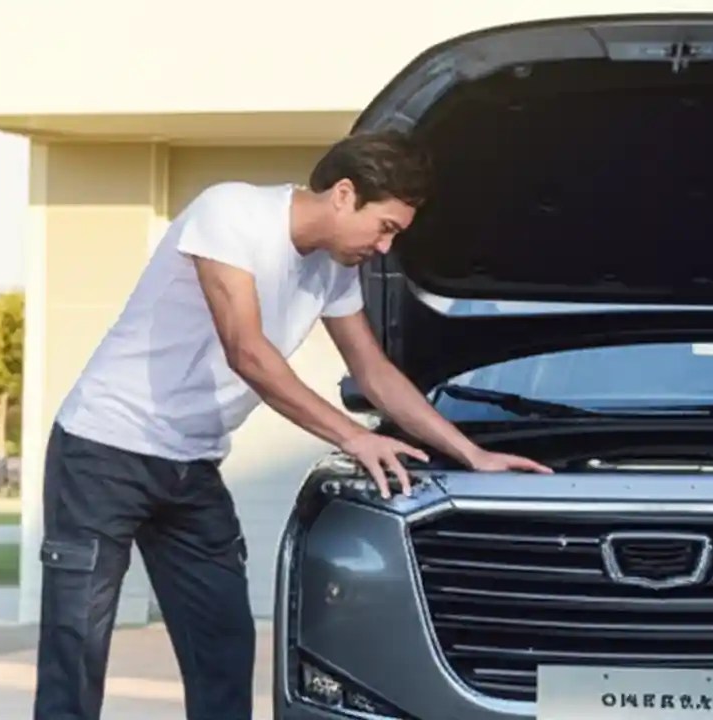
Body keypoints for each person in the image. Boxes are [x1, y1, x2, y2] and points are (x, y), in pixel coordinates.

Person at [33, 130, 552, 720]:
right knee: (76, 652)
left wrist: (471, 454)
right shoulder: (229, 212)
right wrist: (353, 436)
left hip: (191, 468)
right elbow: (247, 352)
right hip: (103, 452)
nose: (385, 247)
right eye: (385, 227)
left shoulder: (332, 273)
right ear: (344, 195)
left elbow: (374, 372)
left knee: (223, 648)